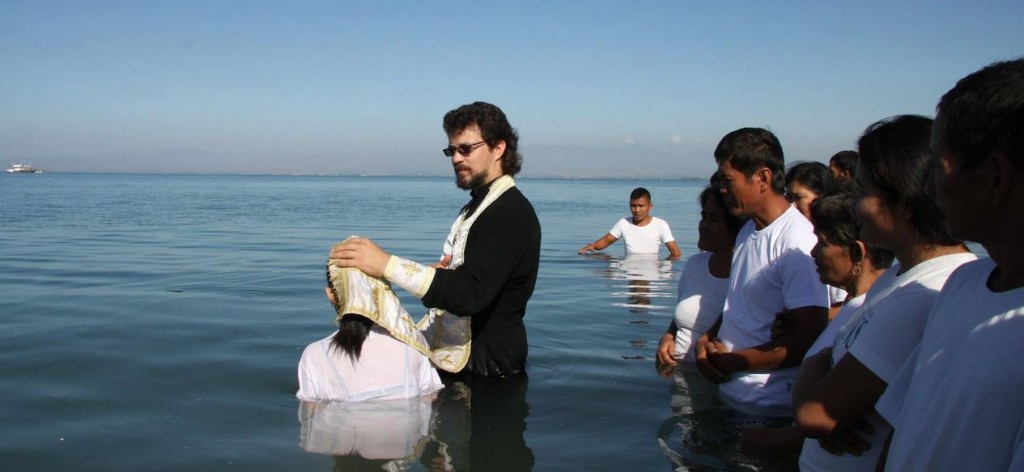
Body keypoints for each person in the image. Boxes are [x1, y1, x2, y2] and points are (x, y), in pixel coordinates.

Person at [791, 115, 976, 471]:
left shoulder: (921, 294)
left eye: (862, 192)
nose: (854, 204)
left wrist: (818, 361)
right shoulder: (896, 278)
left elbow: (814, 415)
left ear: (904, 203)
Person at [876, 58, 1024, 470]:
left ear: (996, 176)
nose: (926, 187)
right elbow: (905, 423)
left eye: (938, 168)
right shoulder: (963, 282)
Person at [330, 101, 541, 377]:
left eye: (466, 149)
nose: (456, 158)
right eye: (451, 150)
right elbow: (468, 282)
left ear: (498, 148)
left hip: (490, 373)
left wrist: (387, 265)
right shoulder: (479, 207)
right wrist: (438, 274)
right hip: (469, 365)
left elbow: (471, 294)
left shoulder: (509, 213)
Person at [740, 186, 895, 454]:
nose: (813, 253)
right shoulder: (851, 308)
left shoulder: (878, 315)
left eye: (822, 243)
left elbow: (813, 416)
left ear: (856, 254)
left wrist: (816, 359)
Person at [695, 127, 829, 416]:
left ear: (763, 177)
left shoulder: (797, 242)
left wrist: (736, 362)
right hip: (731, 395)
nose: (722, 189)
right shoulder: (747, 230)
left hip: (767, 408)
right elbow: (741, 303)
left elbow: (809, 336)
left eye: (729, 180)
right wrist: (708, 337)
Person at [296, 260, 444, 402]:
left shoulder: (315, 355)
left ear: (330, 295)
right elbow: (431, 400)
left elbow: (310, 415)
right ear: (380, 289)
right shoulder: (414, 345)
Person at [656, 179, 745, 369]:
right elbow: (681, 315)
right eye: (703, 216)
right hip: (678, 373)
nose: (703, 225)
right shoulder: (694, 265)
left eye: (713, 219)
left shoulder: (746, 273)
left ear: (735, 227)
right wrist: (668, 336)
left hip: (719, 379)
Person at [785, 161, 846, 317]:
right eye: (789, 197)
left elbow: (841, 304)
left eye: (798, 198)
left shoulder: (835, 239)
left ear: (821, 195)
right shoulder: (792, 233)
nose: (792, 205)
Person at [578, 187, 682, 259]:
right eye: (633, 206)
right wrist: (590, 246)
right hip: (629, 269)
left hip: (652, 271)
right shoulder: (623, 223)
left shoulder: (660, 225)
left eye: (641, 206)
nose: (637, 210)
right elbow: (606, 241)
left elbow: (675, 253)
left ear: (650, 206)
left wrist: (664, 268)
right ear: (629, 205)